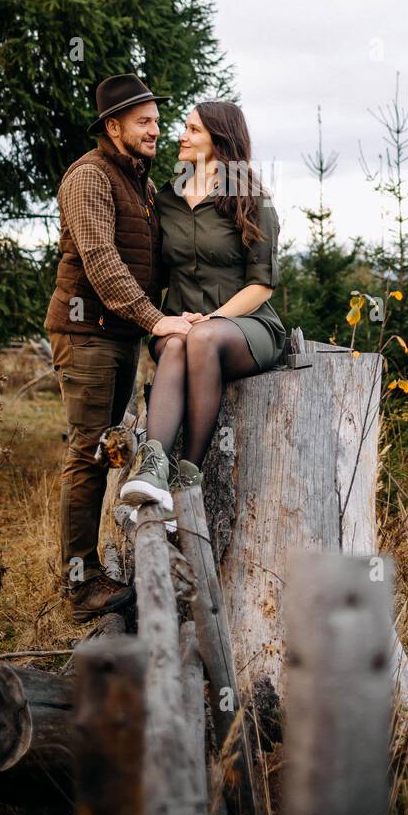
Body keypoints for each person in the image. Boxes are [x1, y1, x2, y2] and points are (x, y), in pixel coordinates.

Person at [43, 73, 192, 623]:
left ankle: (97, 570)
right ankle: (80, 586)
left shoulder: (141, 183)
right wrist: (158, 321)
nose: (156, 130)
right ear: (114, 126)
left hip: (118, 334)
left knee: (105, 449)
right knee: (86, 453)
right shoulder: (89, 177)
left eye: (157, 120)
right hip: (87, 334)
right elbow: (103, 263)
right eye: (144, 122)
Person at [120, 100, 286, 512]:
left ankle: (186, 477)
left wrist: (211, 318)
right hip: (181, 322)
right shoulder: (168, 200)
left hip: (245, 328)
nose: (181, 135)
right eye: (185, 127)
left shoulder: (252, 201)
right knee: (178, 342)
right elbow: (152, 269)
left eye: (193, 130)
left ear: (219, 140)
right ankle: (154, 468)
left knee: (202, 336)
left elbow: (261, 285)